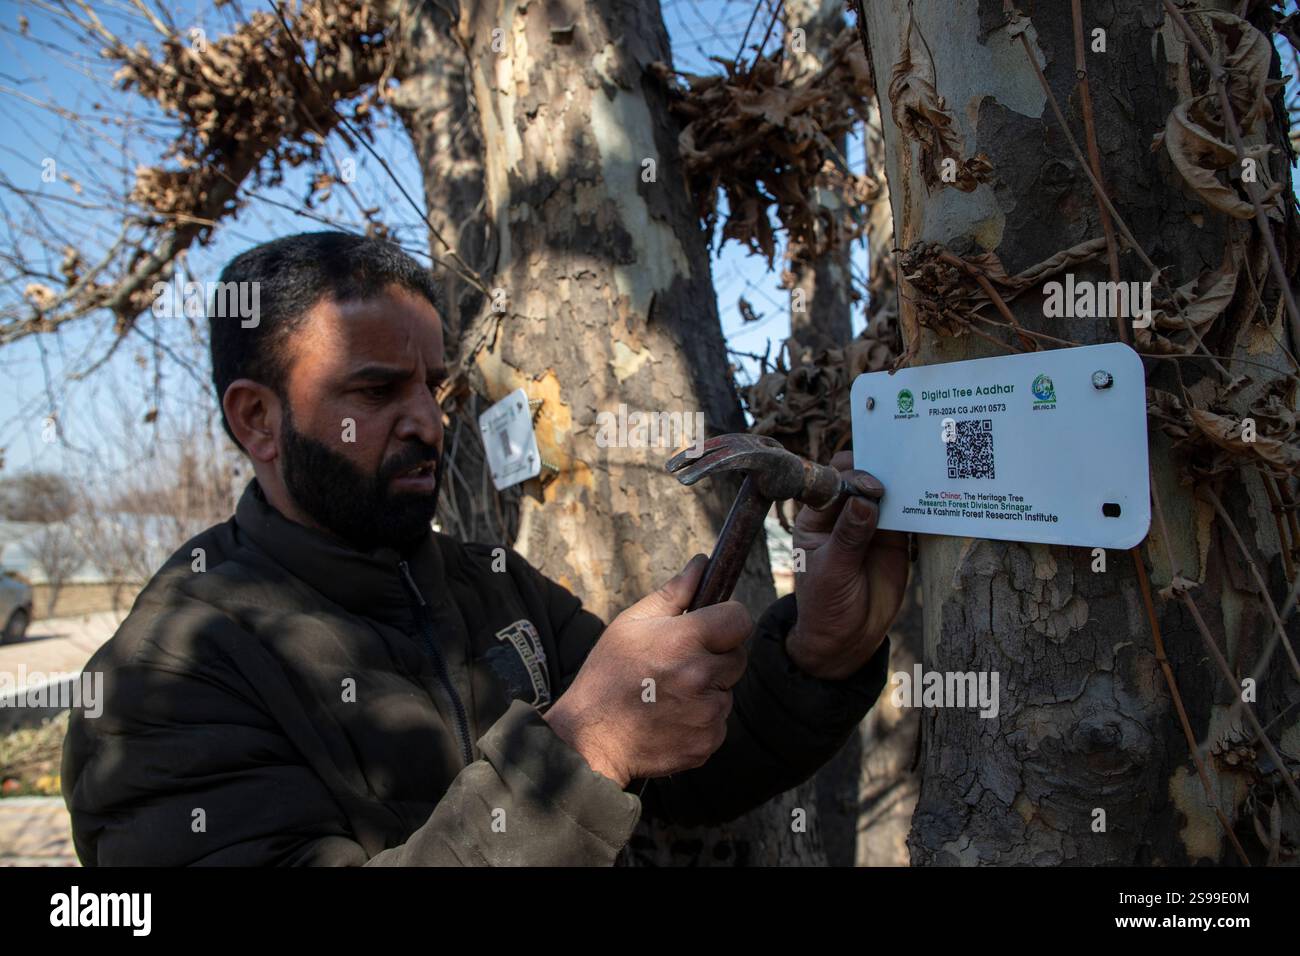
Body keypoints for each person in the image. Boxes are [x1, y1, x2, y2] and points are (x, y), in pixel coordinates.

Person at [61, 232, 909, 865]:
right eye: (375, 389)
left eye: (433, 386)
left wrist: (817, 653)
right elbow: (603, 751)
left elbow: (691, 774)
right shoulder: (163, 679)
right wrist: (582, 751)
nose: (427, 420)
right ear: (257, 419)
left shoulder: (491, 586)